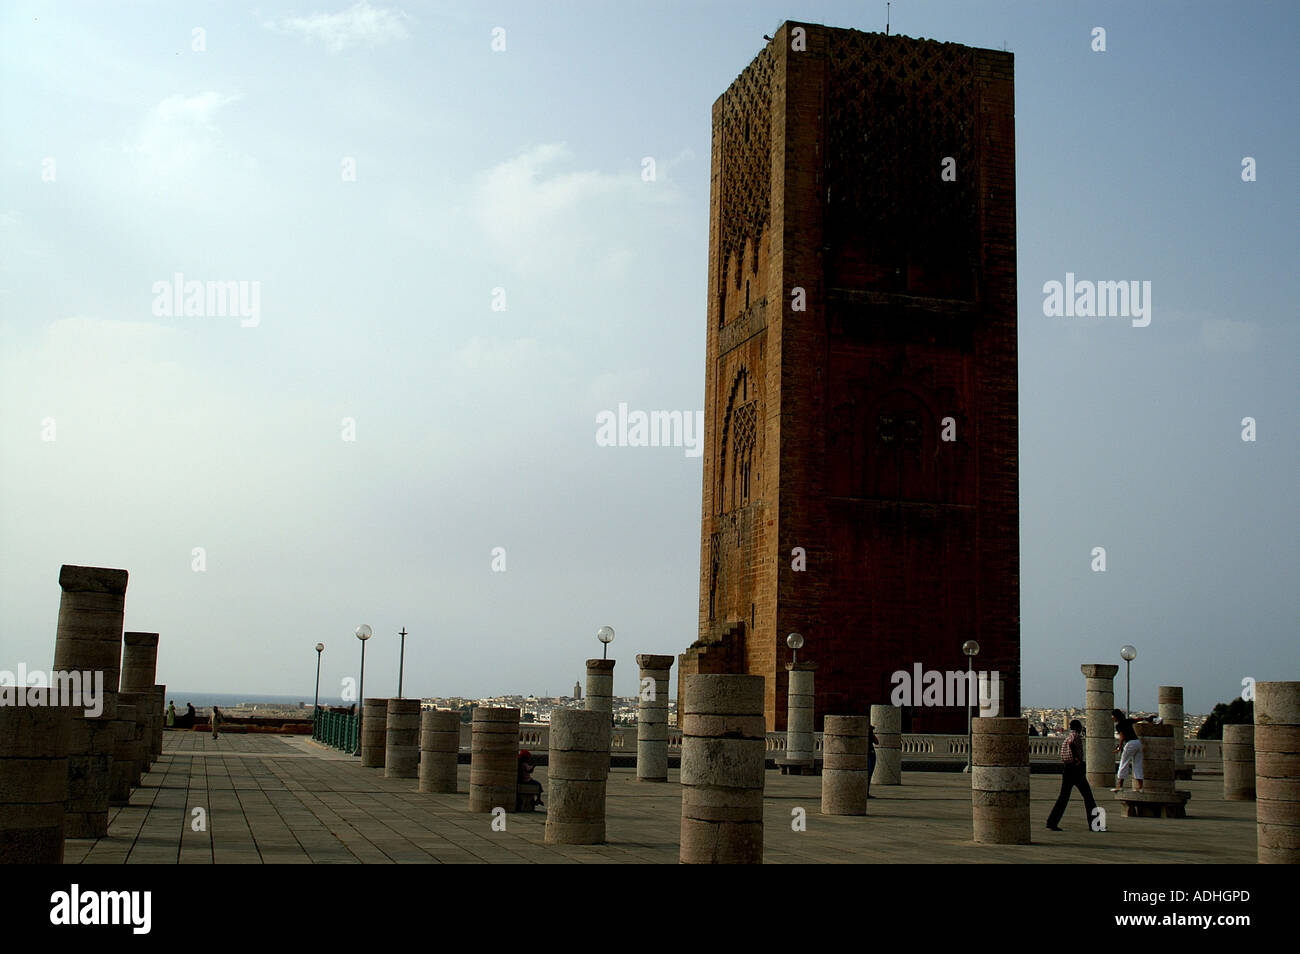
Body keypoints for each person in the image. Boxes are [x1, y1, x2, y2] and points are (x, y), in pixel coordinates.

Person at [1046, 719, 1099, 831]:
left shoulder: (1067, 737)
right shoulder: (1076, 737)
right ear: (1079, 728)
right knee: (1088, 797)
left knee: (1063, 797)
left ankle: (1052, 821)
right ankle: (1095, 825)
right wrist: (1078, 759)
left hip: (1067, 769)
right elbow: (1072, 744)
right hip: (1076, 769)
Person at [1111, 708, 1152, 792]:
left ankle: (1120, 786)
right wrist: (1146, 718)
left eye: (1113, 716)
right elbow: (1138, 719)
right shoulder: (1127, 721)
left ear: (1116, 717)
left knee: (1123, 763)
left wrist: (1119, 747)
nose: (1112, 718)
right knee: (1138, 764)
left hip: (1130, 744)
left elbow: (1122, 737)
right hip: (1138, 743)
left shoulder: (1119, 725)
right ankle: (1140, 787)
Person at [867, 723, 880, 798]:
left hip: (871, 754)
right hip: (867, 755)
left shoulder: (871, 735)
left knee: (870, 774)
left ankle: (867, 792)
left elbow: (877, 742)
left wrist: (871, 734)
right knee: (867, 774)